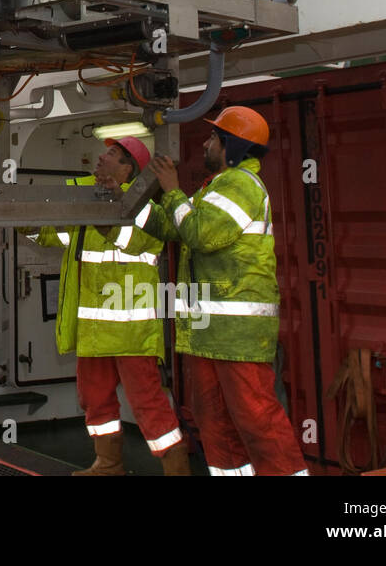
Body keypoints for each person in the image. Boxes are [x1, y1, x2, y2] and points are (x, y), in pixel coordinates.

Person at [146, 106, 309, 476]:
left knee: (257, 420)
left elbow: (203, 234)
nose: (205, 144)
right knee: (215, 420)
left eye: (213, 139)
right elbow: (177, 227)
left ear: (231, 147)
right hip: (211, 334)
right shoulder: (217, 187)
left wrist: (172, 190)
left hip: (237, 336)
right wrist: (130, 203)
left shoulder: (240, 184)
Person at [25, 136, 190, 476]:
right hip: (94, 332)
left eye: (112, 154)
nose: (101, 157)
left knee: (149, 406)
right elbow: (49, 234)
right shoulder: (86, 208)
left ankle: (178, 471)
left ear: (129, 169)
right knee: (95, 400)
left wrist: (107, 207)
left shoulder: (147, 209)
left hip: (131, 333)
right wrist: (20, 217)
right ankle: (108, 464)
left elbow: (136, 240)